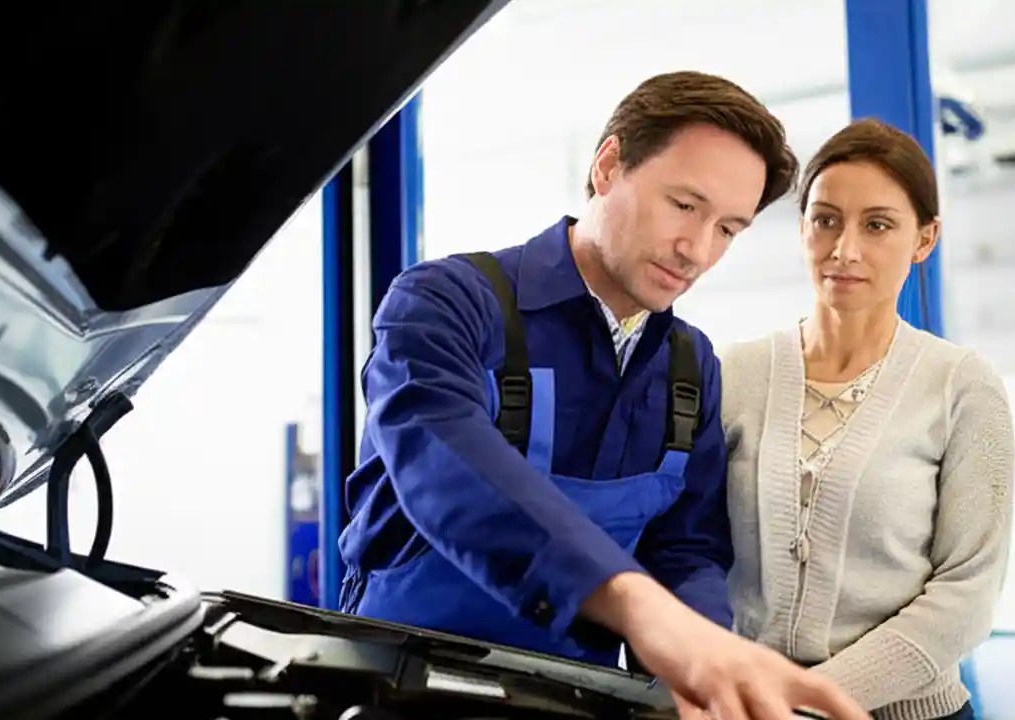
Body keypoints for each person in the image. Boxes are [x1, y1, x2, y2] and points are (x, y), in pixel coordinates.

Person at [337, 70, 869, 720]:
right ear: (609, 165)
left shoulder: (688, 364)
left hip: (572, 701)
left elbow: (685, 547)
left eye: (728, 229)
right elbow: (447, 461)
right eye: (684, 205)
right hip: (396, 690)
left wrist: (696, 668)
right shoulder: (447, 302)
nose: (697, 250)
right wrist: (640, 610)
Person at [721, 118, 1015, 720]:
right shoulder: (733, 374)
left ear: (924, 239)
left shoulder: (963, 386)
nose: (844, 249)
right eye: (825, 219)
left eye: (877, 225)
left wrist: (806, 702)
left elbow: (968, 594)